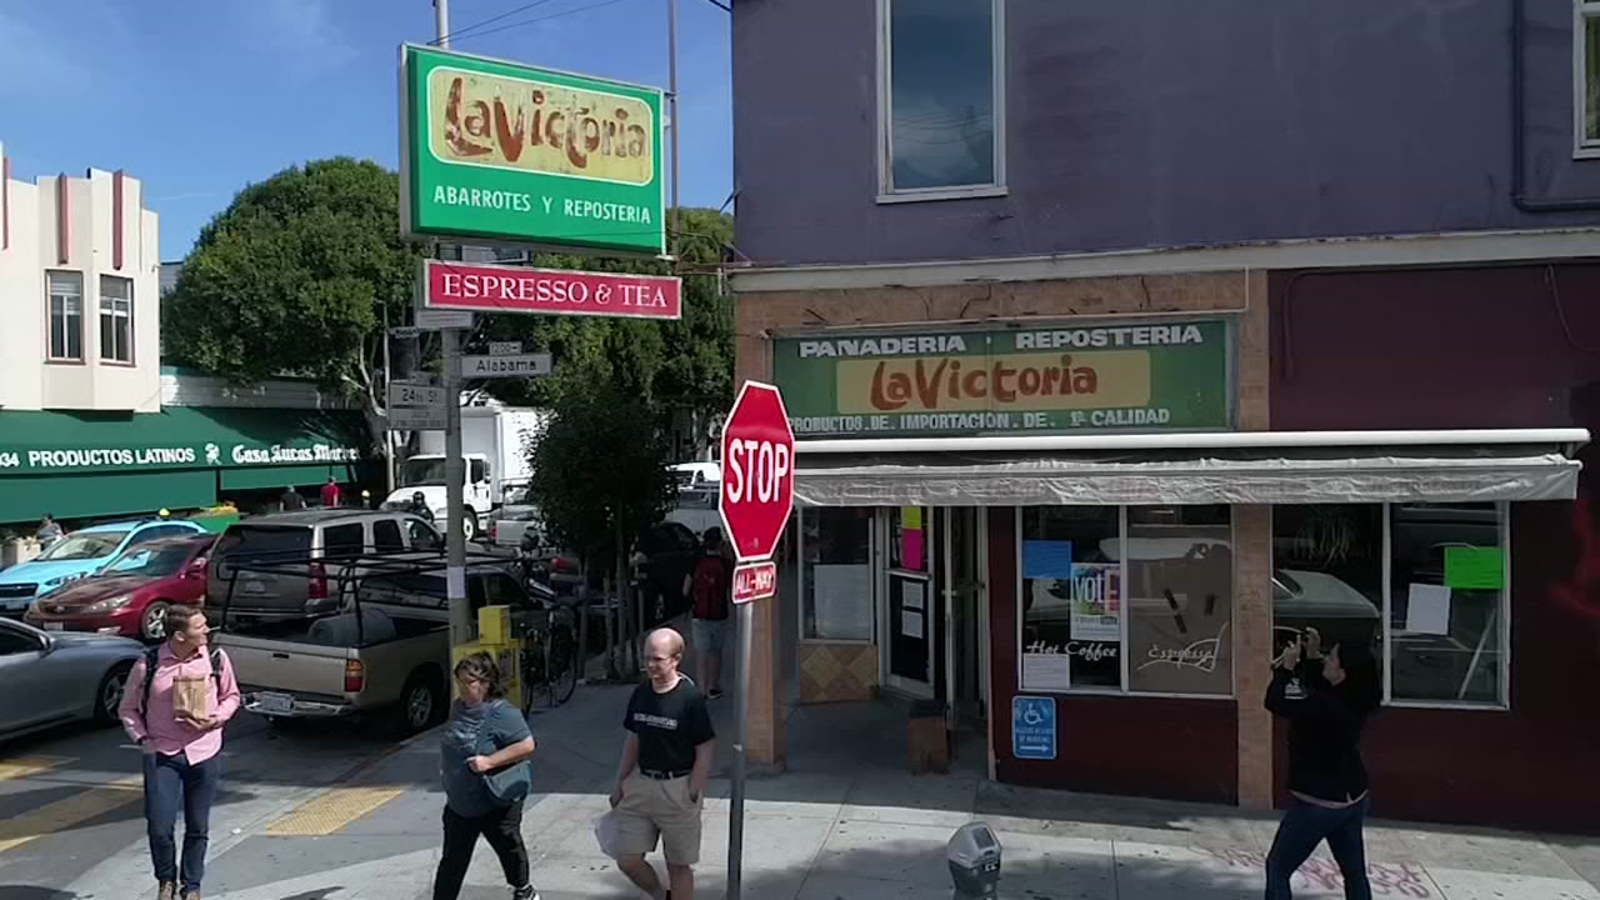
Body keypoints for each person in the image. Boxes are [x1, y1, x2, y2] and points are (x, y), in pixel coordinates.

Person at [118, 606, 242, 900]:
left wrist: (218, 719)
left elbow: (232, 696)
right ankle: (166, 880)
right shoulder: (148, 663)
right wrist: (143, 739)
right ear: (179, 635)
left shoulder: (215, 658)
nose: (206, 630)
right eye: (200, 626)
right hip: (163, 754)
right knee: (160, 826)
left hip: (204, 751)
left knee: (198, 825)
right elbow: (128, 708)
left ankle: (192, 886)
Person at [1263, 627, 1382, 900]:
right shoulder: (1356, 697)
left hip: (1318, 802)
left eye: (1332, 658)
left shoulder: (1324, 706)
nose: (1328, 659)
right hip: (1352, 796)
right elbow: (1321, 685)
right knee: (1354, 872)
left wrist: (1285, 670)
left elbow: (1276, 701)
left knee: (1278, 868)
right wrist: (1313, 655)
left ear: (1344, 672)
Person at [610, 628, 715, 900]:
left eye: (657, 659)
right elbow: (632, 739)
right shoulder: (641, 693)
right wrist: (620, 782)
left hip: (677, 788)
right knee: (627, 858)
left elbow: (705, 747)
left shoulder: (690, 698)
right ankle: (660, 894)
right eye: (647, 659)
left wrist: (693, 789)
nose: (650, 666)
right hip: (641, 785)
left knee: (678, 864)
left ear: (676, 659)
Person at [433, 652, 540, 900]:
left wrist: (488, 761)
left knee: (509, 849)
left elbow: (527, 745)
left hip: (494, 801)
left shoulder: (503, 713)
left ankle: (524, 890)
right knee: (452, 862)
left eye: (467, 682)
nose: (461, 688)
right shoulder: (458, 707)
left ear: (486, 683)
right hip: (460, 804)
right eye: (459, 681)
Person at [683, 528, 732, 700]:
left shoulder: (696, 561)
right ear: (720, 543)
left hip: (699, 613)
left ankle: (701, 689)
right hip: (719, 613)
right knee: (716, 651)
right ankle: (713, 687)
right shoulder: (726, 564)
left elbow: (685, 590)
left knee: (701, 651)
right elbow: (731, 591)